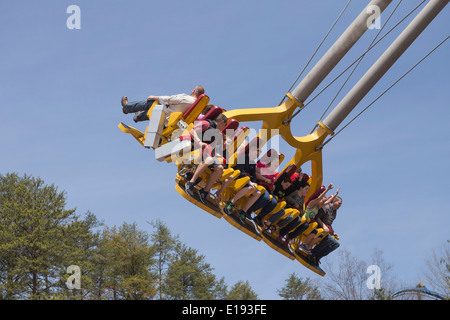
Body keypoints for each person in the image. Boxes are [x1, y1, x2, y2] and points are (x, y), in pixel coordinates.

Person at [184, 113, 228, 204]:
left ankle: (204, 191)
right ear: (222, 122)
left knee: (220, 169)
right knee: (209, 160)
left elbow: (214, 149)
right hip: (196, 147)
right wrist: (200, 142)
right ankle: (191, 183)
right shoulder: (206, 124)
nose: (224, 127)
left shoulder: (218, 134)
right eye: (225, 125)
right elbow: (192, 131)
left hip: (207, 153)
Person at [121, 85, 205, 123]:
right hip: (174, 122)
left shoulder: (188, 99)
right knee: (157, 110)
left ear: (194, 91)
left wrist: (154, 97)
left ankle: (127, 107)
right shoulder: (197, 108)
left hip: (167, 117)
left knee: (153, 103)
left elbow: (169, 99)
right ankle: (137, 117)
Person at [300, 184, 339, 254]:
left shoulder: (319, 207)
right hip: (305, 220)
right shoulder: (312, 203)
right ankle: (304, 244)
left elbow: (327, 202)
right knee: (314, 229)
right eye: (322, 201)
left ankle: (308, 246)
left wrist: (335, 195)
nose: (323, 203)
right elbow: (319, 198)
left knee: (320, 234)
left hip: (310, 223)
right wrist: (327, 189)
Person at [310, 195, 342, 265]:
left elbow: (329, 224)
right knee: (330, 239)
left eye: (341, 204)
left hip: (326, 230)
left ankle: (317, 256)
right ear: (334, 201)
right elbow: (317, 217)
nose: (340, 206)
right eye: (339, 203)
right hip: (317, 227)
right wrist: (323, 226)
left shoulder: (334, 213)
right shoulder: (326, 207)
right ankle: (313, 253)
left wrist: (334, 233)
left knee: (336, 244)